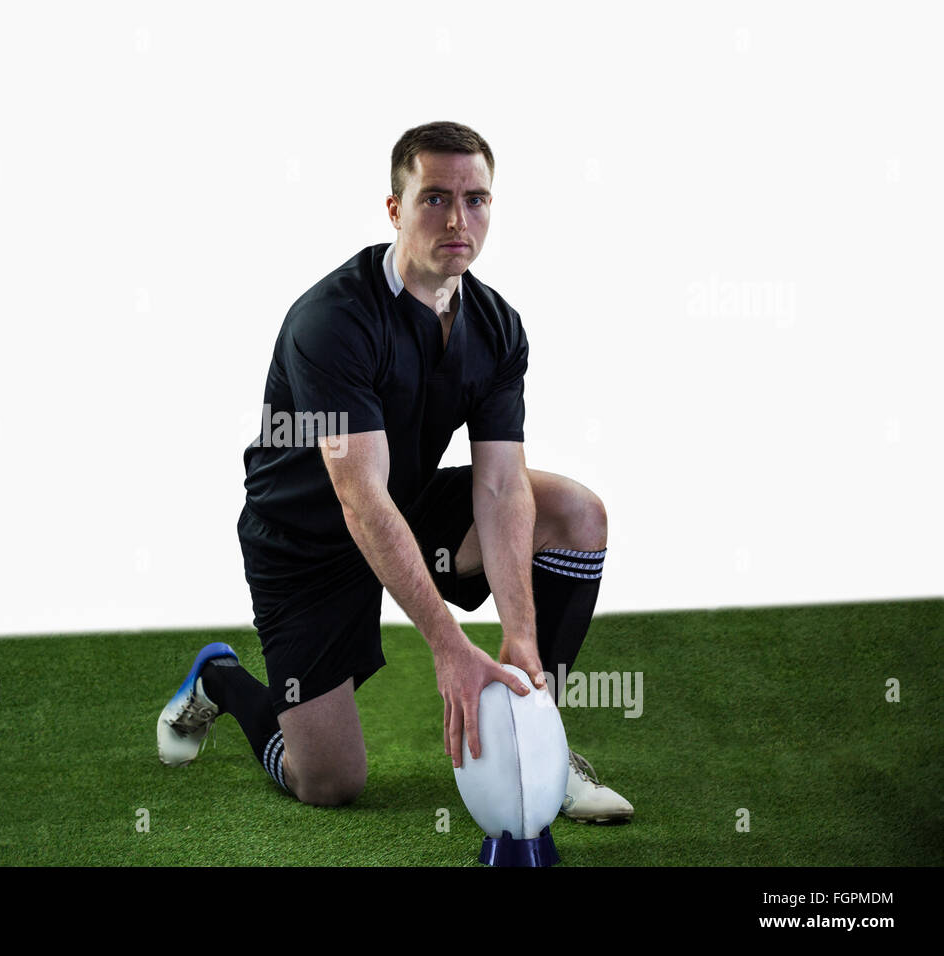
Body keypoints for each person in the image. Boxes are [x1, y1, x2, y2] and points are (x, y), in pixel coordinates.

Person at [157, 120, 632, 822]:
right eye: (435, 198)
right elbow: (360, 499)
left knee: (576, 513)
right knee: (330, 782)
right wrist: (448, 646)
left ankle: (544, 745)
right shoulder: (334, 319)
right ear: (394, 209)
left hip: (402, 507)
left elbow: (500, 486)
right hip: (307, 545)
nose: (457, 218)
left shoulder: (497, 326)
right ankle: (222, 680)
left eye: (476, 200)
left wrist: (522, 638)